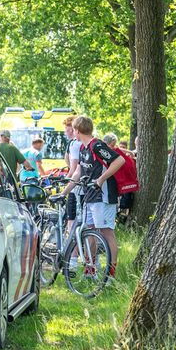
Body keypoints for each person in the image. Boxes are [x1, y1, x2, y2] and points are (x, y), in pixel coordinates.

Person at [60, 116, 125, 272]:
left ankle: (110, 273)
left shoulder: (97, 146)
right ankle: (91, 268)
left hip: (103, 196)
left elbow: (119, 160)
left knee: (106, 232)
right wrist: (64, 192)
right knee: (90, 230)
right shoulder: (83, 148)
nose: (72, 132)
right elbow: (78, 172)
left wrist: (101, 179)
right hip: (89, 196)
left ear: (78, 130)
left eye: (74, 129)